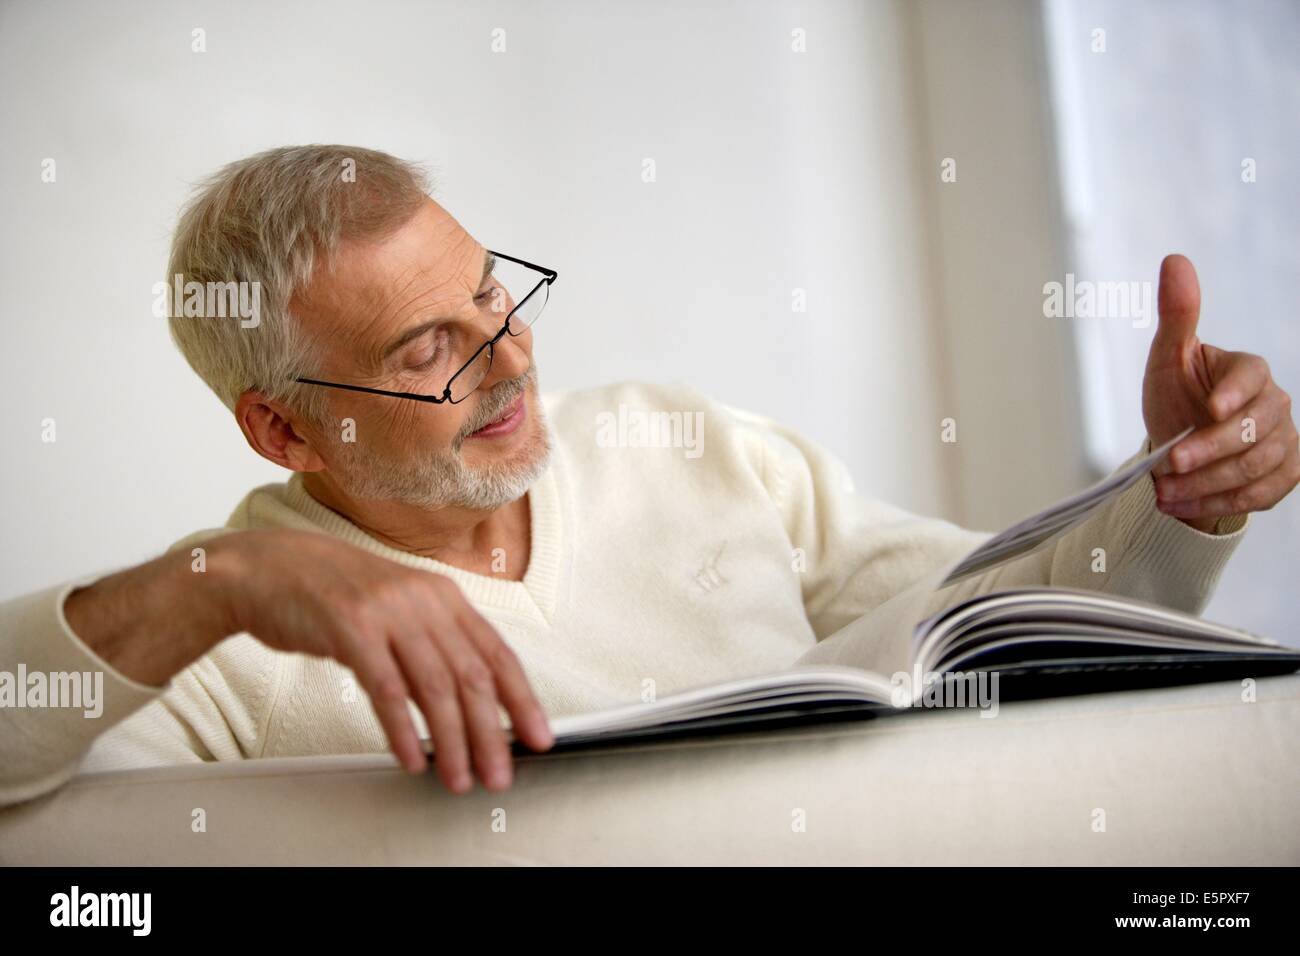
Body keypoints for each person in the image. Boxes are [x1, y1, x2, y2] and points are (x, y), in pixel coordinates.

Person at [2, 145, 1296, 808]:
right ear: (284, 436)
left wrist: (1182, 491)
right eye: (428, 348)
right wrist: (223, 576)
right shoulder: (229, 644)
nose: (512, 359)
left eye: (494, 296)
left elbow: (1003, 625)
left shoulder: (687, 441)